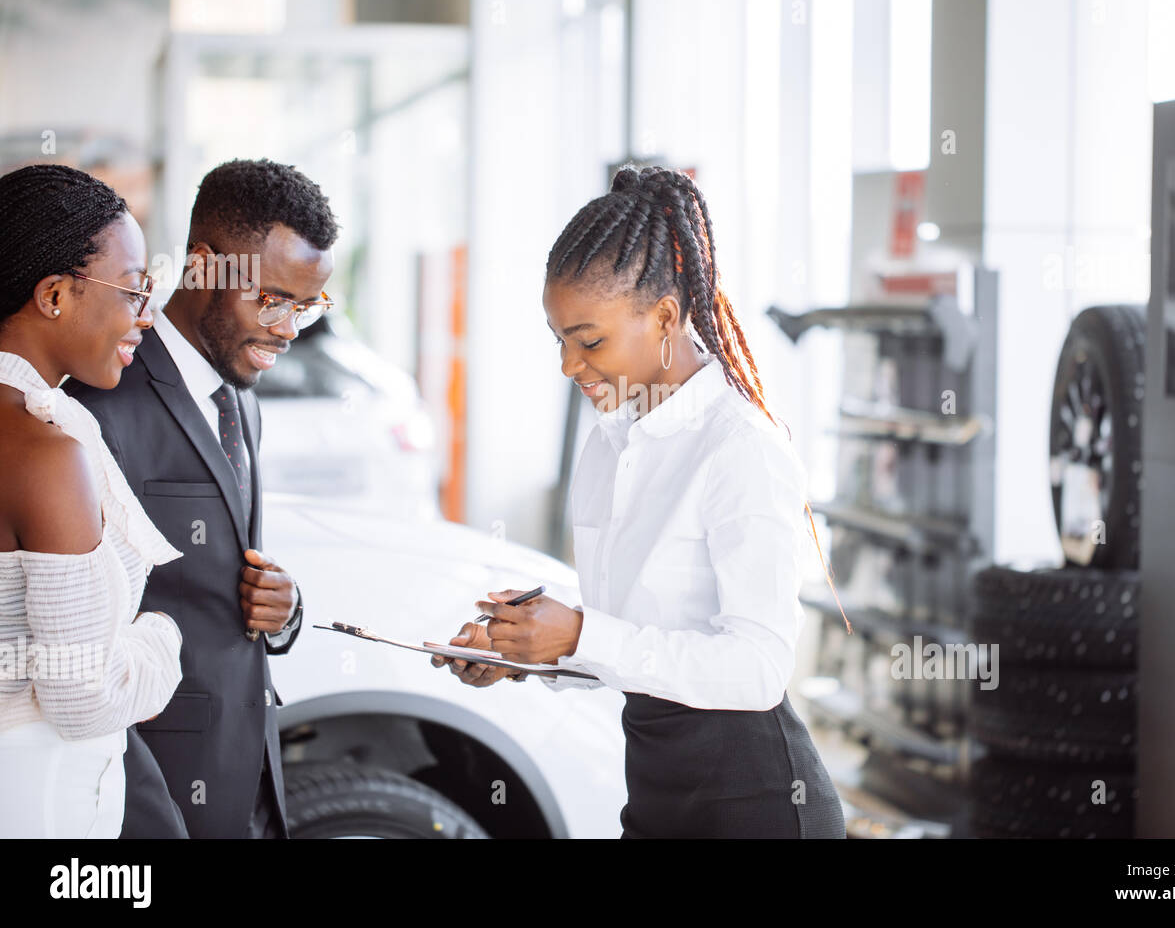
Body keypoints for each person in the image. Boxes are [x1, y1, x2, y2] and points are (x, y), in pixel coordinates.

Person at [433, 166, 848, 838]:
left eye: (589, 340)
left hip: (759, 807)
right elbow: (627, 643)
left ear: (664, 317)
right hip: (659, 802)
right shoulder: (609, 445)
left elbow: (757, 671)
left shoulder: (739, 446)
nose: (570, 366)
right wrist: (525, 651)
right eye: (559, 340)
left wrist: (578, 634)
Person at [64, 158, 338, 838]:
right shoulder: (98, 397)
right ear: (205, 265)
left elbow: (222, 576)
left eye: (305, 307)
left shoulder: (238, 399)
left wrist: (285, 612)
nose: (287, 328)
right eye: (273, 299)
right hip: (151, 797)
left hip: (249, 782)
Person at [0, 163, 184, 837]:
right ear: (54, 295)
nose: (147, 316)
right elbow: (82, 698)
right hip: (36, 801)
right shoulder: (44, 456)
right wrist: (162, 640)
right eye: (134, 292)